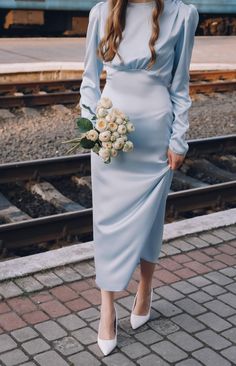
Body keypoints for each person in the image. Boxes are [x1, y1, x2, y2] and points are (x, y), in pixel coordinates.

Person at [79, 0, 199, 356]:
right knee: (107, 222)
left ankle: (145, 288)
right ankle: (107, 307)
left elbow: (180, 85)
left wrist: (179, 138)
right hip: (109, 139)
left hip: (155, 138)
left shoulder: (183, 14)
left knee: (150, 219)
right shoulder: (101, 12)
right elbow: (89, 80)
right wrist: (91, 127)